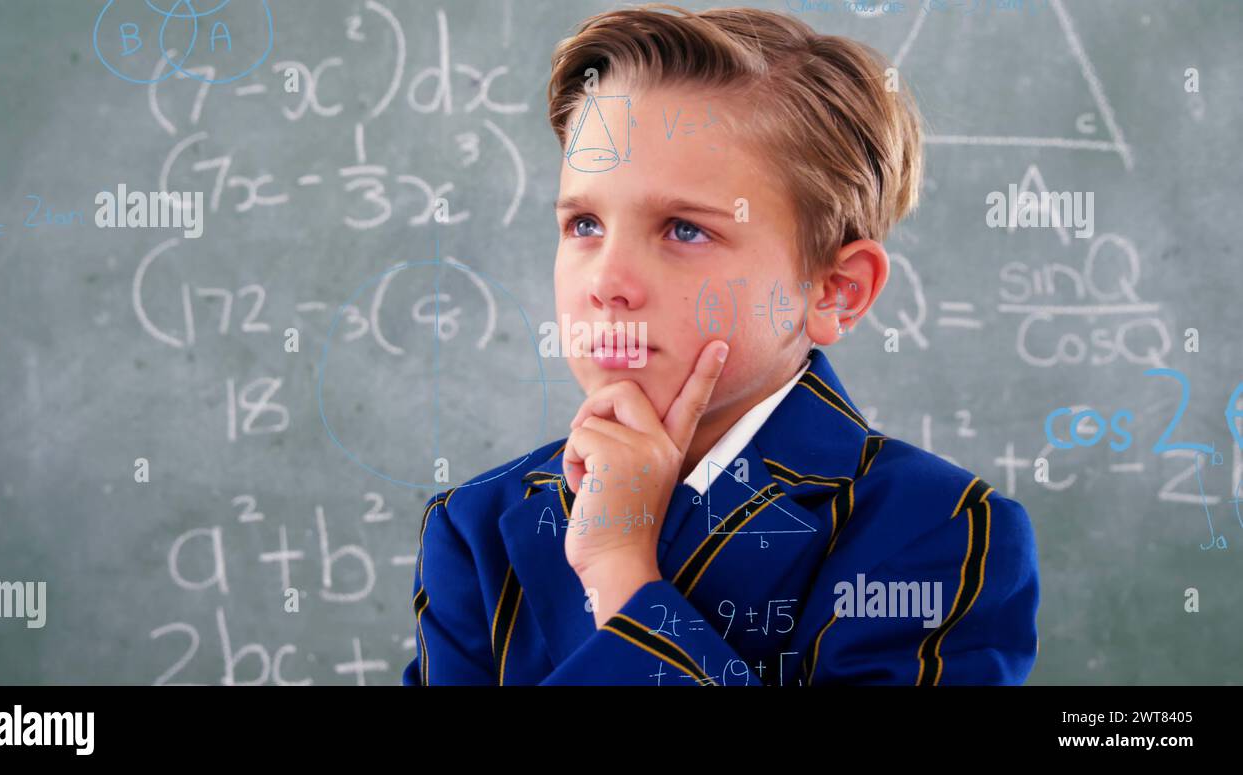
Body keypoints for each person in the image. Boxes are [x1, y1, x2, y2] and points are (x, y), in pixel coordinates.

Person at [403, 3, 1039, 686]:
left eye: (683, 230)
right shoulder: (476, 527)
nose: (607, 282)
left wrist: (622, 569)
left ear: (835, 290)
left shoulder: (936, 531)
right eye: (585, 223)